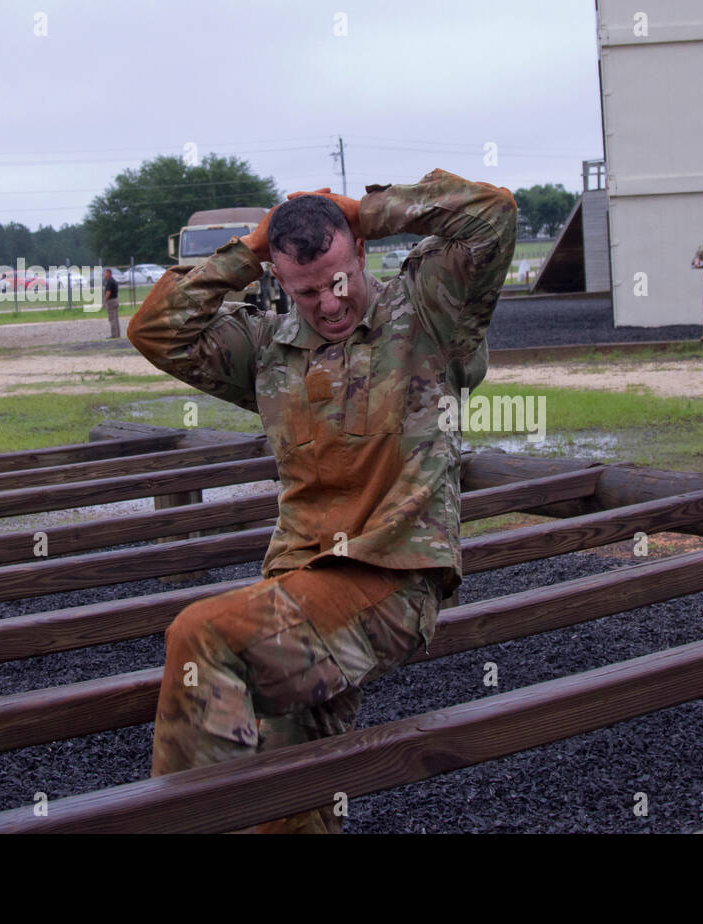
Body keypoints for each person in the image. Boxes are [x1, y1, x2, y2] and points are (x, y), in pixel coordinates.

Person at [126, 169, 517, 834]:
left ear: (359, 253)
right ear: (280, 281)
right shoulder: (269, 350)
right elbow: (156, 330)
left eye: (337, 281)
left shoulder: (427, 313)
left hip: (393, 580)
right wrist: (245, 252)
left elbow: (493, 213)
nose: (328, 304)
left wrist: (366, 210)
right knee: (293, 798)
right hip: (296, 590)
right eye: (306, 292)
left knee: (203, 634)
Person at [102, 269, 120, 338]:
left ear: (109, 273)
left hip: (111, 301)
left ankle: (114, 335)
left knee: (112, 318)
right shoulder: (113, 280)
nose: (104, 275)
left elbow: (108, 292)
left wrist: (104, 301)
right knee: (115, 318)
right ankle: (117, 334)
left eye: (105, 273)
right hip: (115, 300)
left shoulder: (109, 281)